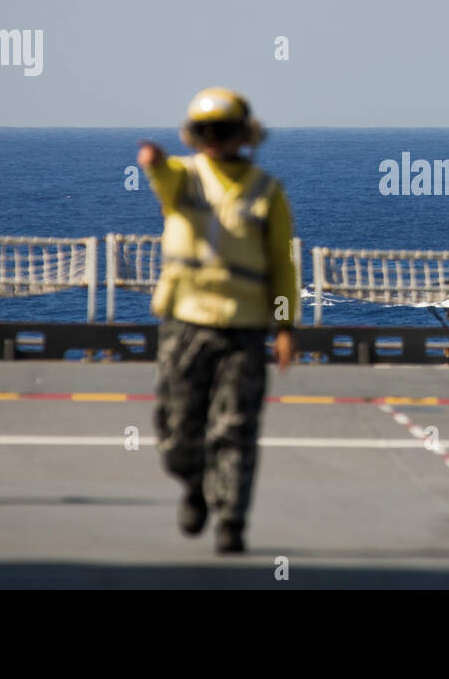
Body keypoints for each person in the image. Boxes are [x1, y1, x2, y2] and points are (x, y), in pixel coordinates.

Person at [137, 88, 297, 554]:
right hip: (184, 321)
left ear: (244, 135)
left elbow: (283, 266)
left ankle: (231, 521)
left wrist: (285, 327)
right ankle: (193, 484)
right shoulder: (182, 178)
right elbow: (162, 177)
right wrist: (153, 162)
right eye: (205, 131)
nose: (214, 139)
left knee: (235, 429)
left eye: (223, 131)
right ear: (194, 135)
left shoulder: (267, 192)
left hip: (243, 328)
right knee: (175, 432)